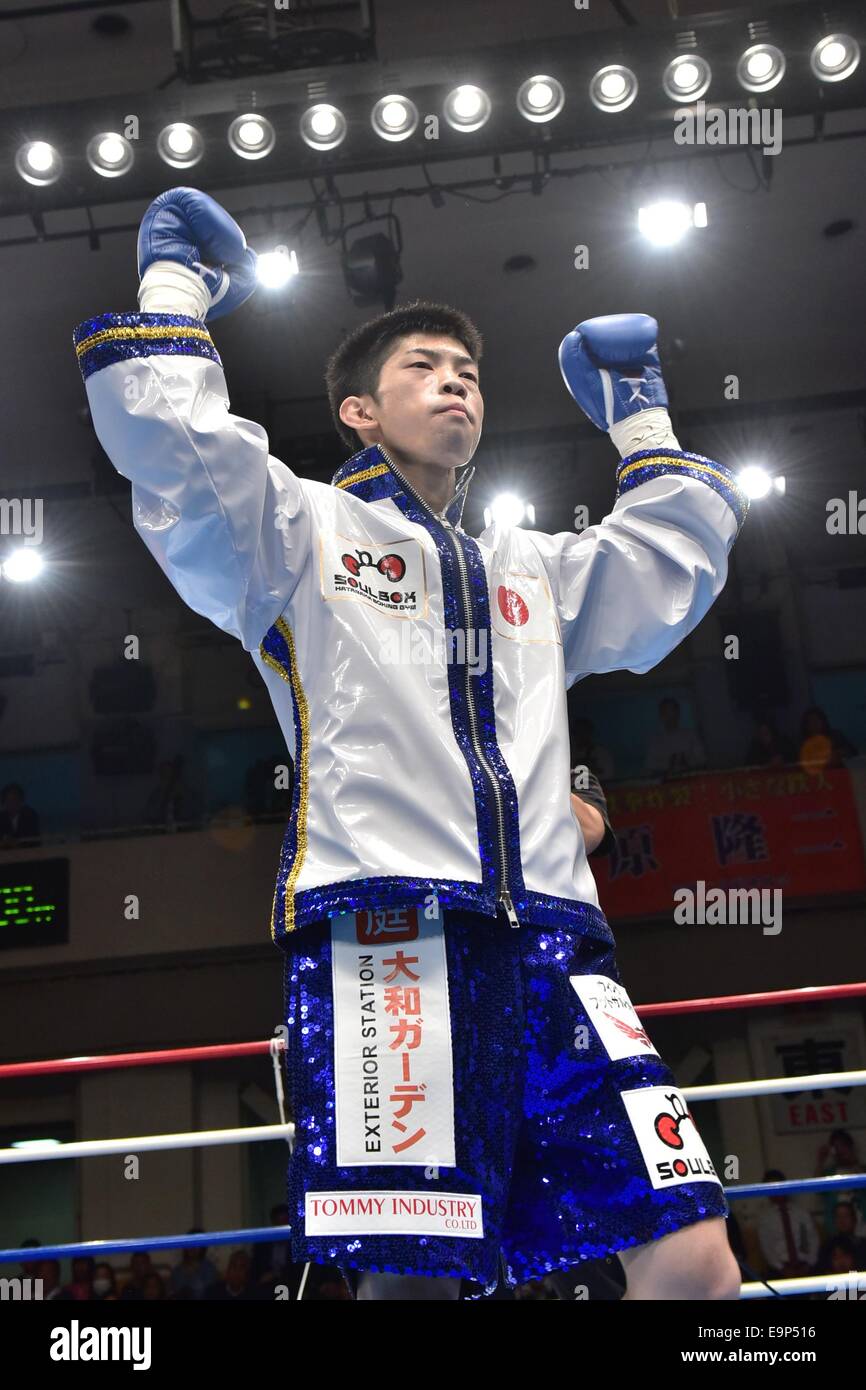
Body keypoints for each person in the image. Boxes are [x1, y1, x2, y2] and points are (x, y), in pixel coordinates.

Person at [73, 187, 749, 1301]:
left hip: (555, 946)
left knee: (692, 1259)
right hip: (392, 937)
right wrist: (175, 285)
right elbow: (180, 453)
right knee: (412, 1286)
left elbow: (662, 572)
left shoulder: (527, 567)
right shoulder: (299, 534)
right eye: (425, 367)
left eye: (470, 372)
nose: (455, 383)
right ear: (358, 412)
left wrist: (637, 415)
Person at [756, 1169, 820, 1280]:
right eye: (771, 1188)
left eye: (779, 1186)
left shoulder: (801, 1213)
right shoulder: (765, 1219)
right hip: (780, 1268)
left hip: (804, 1264)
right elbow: (767, 1249)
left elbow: (812, 1239)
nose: (776, 1191)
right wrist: (782, 1269)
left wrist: (809, 1264)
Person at [644, 697, 706, 779]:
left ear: (678, 713)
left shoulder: (691, 735)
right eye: (666, 712)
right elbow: (650, 768)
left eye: (672, 711)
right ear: (661, 715)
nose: (670, 716)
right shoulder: (656, 741)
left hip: (691, 780)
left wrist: (686, 762)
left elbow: (702, 760)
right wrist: (669, 765)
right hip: (666, 785)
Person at [169, 1231, 220, 1300]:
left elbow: (209, 1293)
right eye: (190, 1243)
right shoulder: (177, 1271)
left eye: (196, 1244)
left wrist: (194, 1274)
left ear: (202, 1247)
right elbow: (175, 1293)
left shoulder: (209, 1268)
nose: (193, 1248)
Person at [0, 782, 41, 847]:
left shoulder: (30, 815)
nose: (11, 804)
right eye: (8, 801)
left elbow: (33, 839)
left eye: (14, 800)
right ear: (4, 802)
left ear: (21, 801)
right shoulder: (2, 818)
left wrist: (16, 842)